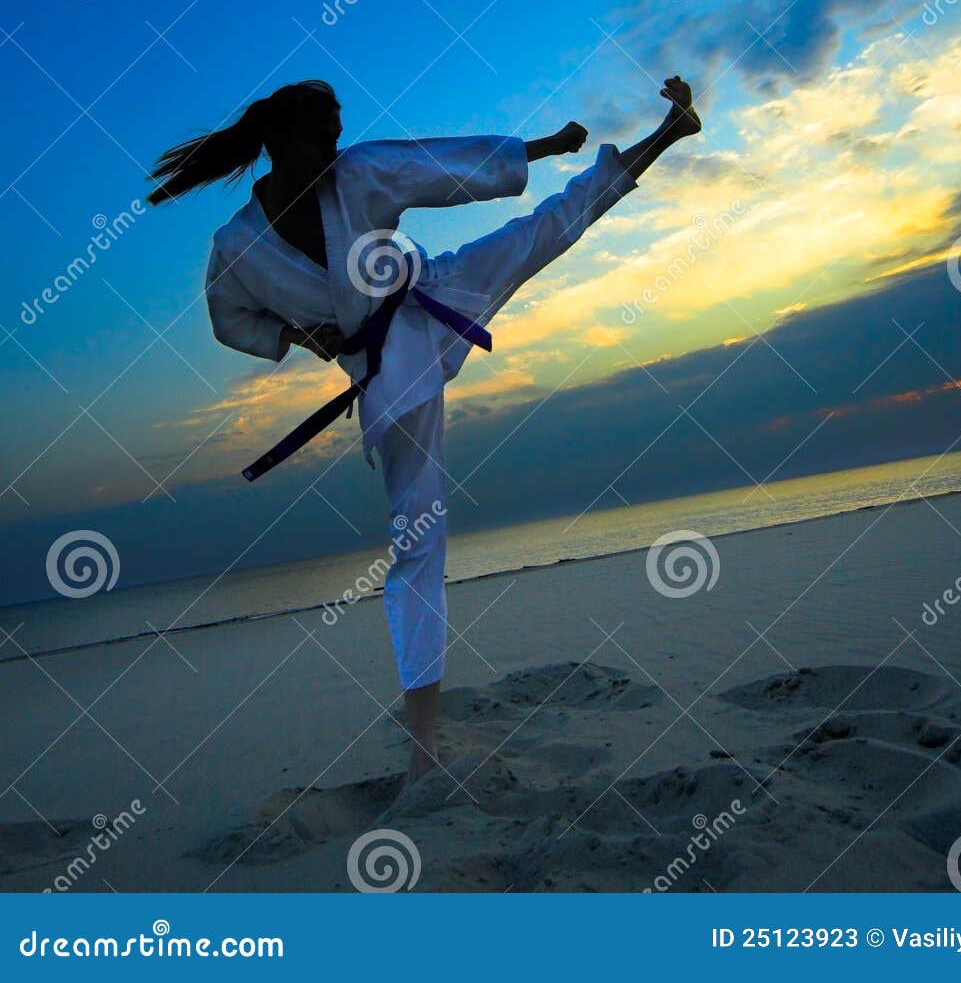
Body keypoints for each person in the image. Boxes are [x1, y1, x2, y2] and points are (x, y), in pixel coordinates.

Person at [148, 76, 701, 780]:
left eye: (337, 135)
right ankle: (422, 747)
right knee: (417, 539)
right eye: (322, 137)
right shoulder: (237, 247)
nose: (335, 148)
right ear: (281, 142)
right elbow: (229, 318)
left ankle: (670, 130)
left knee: (543, 231)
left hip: (434, 291)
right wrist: (300, 334)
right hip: (388, 374)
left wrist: (548, 146)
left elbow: (443, 165)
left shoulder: (357, 174)